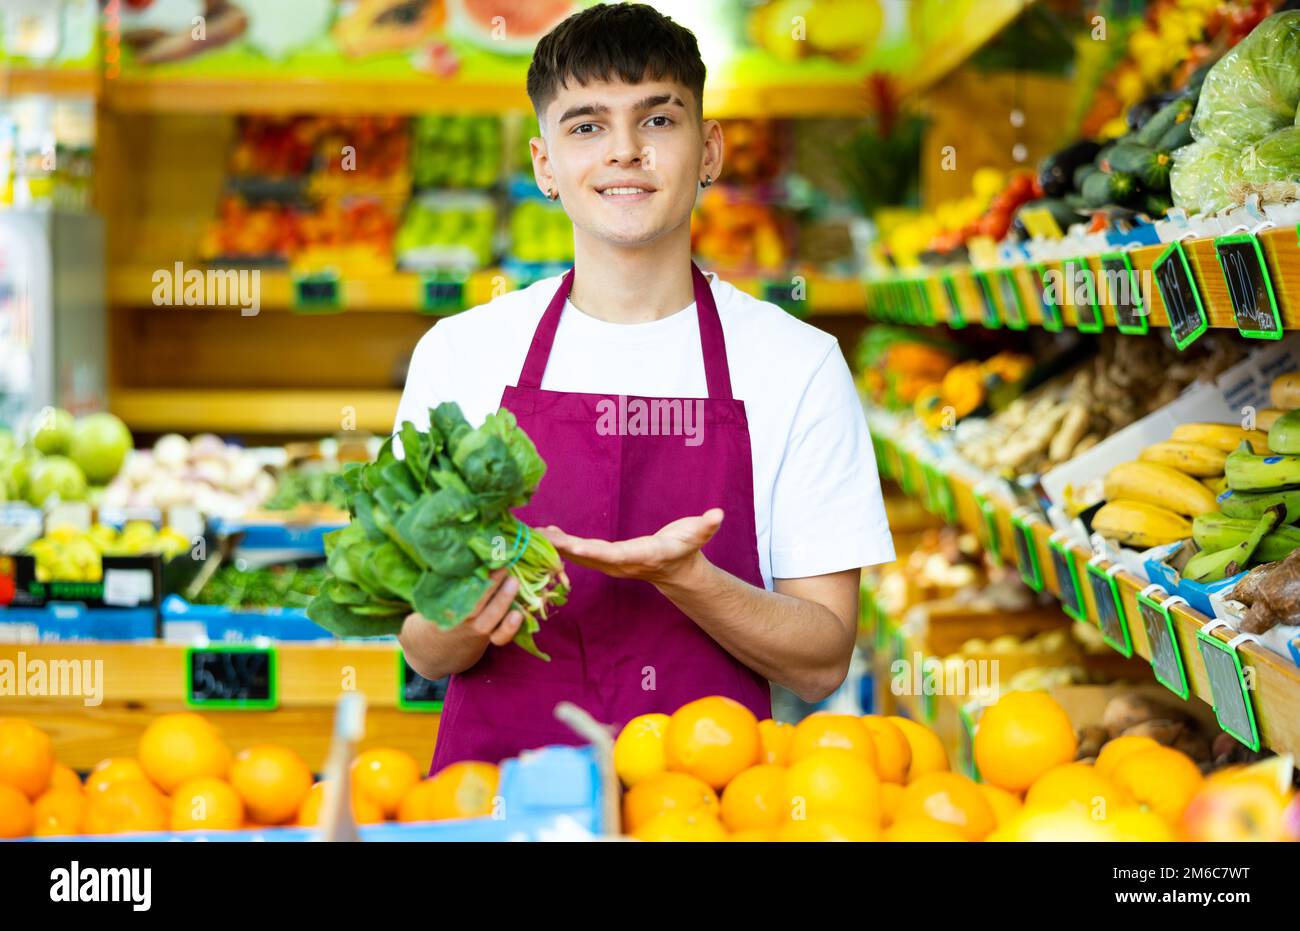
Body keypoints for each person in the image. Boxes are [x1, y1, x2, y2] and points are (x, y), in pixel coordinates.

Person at [393, 2, 894, 773]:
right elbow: (423, 649)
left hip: (714, 807)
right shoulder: (460, 355)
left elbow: (822, 658)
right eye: (586, 126)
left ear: (709, 149)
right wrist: (478, 603)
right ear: (544, 166)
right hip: (494, 803)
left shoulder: (799, 364)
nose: (624, 152)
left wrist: (686, 578)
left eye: (658, 120)